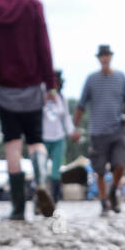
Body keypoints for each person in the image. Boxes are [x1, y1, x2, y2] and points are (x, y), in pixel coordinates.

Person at [0, 0, 56, 221]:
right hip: (32, 85)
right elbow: (43, 45)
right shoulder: (33, 5)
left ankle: (18, 208)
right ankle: (43, 181)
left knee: (12, 144)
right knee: (36, 141)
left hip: (4, 88)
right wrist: (51, 83)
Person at [74, 45, 125, 215]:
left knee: (120, 164)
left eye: (107, 55)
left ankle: (113, 191)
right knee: (99, 170)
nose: (104, 59)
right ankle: (103, 201)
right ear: (99, 58)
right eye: (102, 56)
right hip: (97, 132)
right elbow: (81, 105)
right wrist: (74, 127)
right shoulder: (91, 79)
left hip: (117, 130)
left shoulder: (120, 77)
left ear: (110, 57)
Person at [42, 71, 78, 205]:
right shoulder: (41, 97)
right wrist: (44, 101)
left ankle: (54, 200)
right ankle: (39, 199)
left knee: (56, 171)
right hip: (43, 138)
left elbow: (66, 117)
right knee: (41, 170)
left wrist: (72, 132)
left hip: (58, 138)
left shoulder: (62, 99)